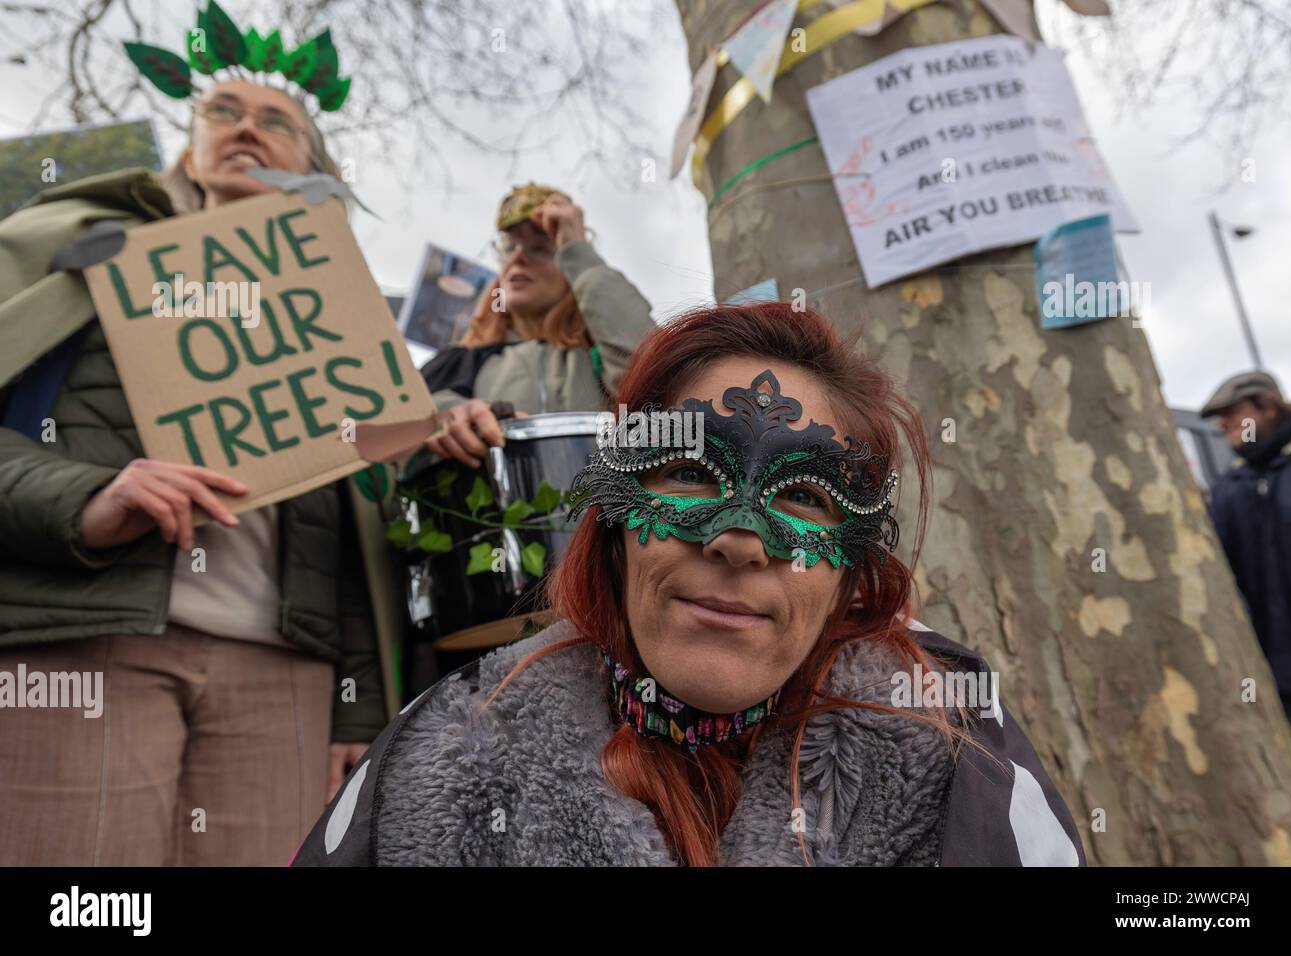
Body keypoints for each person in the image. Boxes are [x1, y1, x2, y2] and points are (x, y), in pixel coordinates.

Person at [293, 302, 1085, 867]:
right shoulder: (440, 757)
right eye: (688, 475)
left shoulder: (956, 755)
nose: (738, 539)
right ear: (612, 530)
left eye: (806, 494)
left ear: (850, 571)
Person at [0, 19, 401, 865]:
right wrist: (86, 503)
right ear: (189, 146)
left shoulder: (345, 320)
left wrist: (357, 711)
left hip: (284, 672)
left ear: (313, 167)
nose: (248, 126)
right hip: (88, 642)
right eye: (223, 108)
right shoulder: (77, 255)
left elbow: (359, 528)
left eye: (277, 119)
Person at [421, 182, 655, 467]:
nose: (518, 258)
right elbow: (402, 423)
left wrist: (578, 252)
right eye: (508, 248)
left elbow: (657, 380)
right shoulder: (462, 363)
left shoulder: (601, 355)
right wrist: (448, 419)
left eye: (540, 248)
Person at [1200, 370, 1291, 739]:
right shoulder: (1228, 491)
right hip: (1278, 679)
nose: (1223, 423)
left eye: (1232, 411)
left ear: (1268, 405)